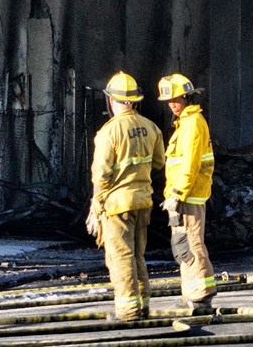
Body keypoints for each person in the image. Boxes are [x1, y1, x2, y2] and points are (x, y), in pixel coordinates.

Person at [87, 71, 165, 321]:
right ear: (134, 101)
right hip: (143, 202)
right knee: (137, 255)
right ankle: (143, 305)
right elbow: (159, 162)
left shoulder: (108, 132)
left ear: (111, 100)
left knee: (120, 257)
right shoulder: (151, 127)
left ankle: (128, 310)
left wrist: (95, 206)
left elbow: (101, 175)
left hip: (117, 205)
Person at [157, 73, 217, 309]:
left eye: (176, 99)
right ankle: (193, 294)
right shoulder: (186, 123)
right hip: (185, 195)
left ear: (187, 97)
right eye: (169, 100)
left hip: (187, 196)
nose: (172, 104)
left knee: (190, 244)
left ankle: (200, 295)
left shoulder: (192, 124)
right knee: (184, 244)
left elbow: (190, 163)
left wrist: (177, 194)